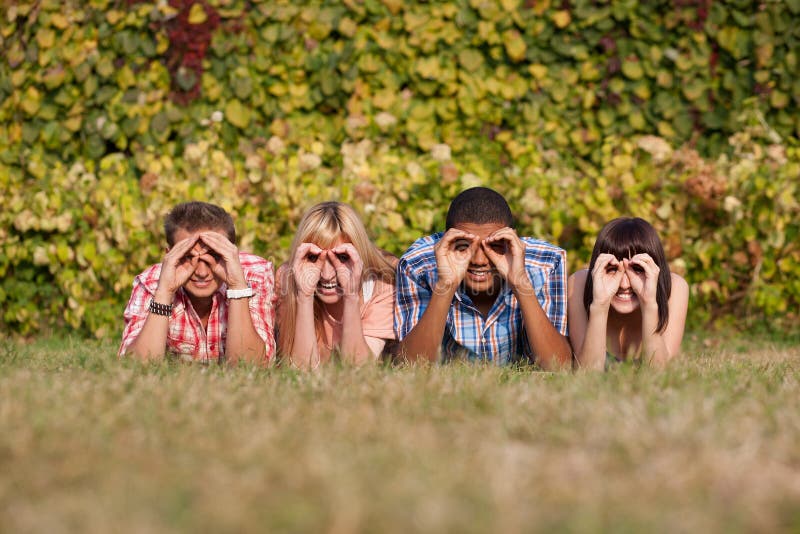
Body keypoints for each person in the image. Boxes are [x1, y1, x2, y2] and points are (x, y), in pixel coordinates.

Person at [394, 187, 571, 369]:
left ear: (511, 239)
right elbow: (410, 366)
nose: (479, 260)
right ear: (447, 238)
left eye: (494, 246)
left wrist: (520, 283)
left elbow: (559, 367)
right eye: (464, 246)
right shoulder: (418, 264)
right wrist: (445, 286)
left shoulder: (547, 262)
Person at [119, 201, 275, 364]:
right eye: (187, 257)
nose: (201, 272)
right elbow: (136, 366)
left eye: (213, 256)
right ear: (169, 255)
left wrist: (237, 287)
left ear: (231, 253)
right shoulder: (152, 281)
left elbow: (251, 367)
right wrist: (164, 292)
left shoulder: (255, 274)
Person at [276, 201, 396, 369]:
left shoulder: (380, 287)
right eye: (313, 257)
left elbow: (357, 370)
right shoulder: (288, 278)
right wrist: (304, 296)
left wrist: (351, 296)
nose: (326, 274)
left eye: (342, 258)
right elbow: (300, 371)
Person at [567, 217, 689, 370]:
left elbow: (660, 373)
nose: (624, 284)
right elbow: (587, 374)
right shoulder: (579, 283)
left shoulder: (675, 287)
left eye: (638, 269)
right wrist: (599, 305)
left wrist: (649, 303)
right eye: (611, 269)